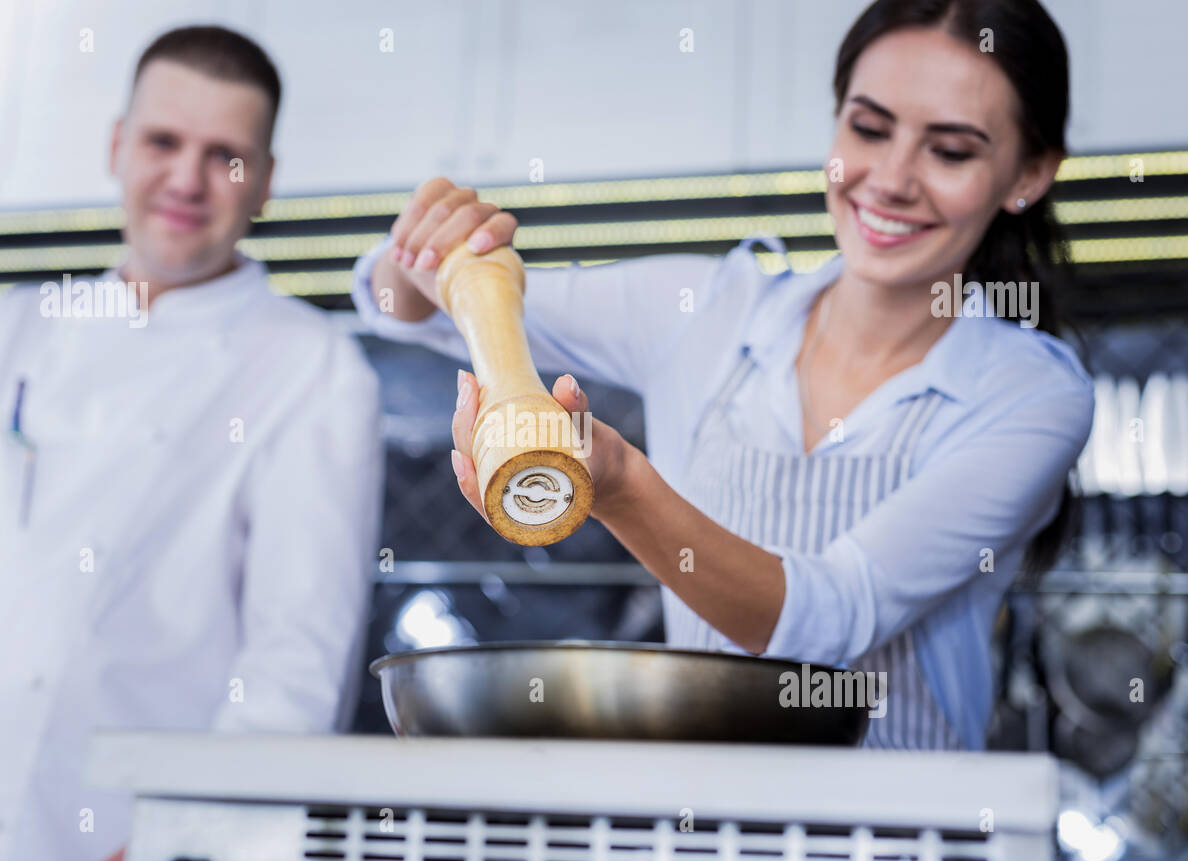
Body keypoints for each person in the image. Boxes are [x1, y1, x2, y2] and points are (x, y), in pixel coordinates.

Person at [351, 0, 1094, 751]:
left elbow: (828, 622)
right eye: (868, 129)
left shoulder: (1030, 395)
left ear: (1028, 173)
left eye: (951, 151)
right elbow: (395, 305)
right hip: (705, 830)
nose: (892, 179)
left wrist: (619, 487)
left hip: (904, 837)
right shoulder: (705, 311)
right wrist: (422, 251)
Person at [0, 26, 383, 861]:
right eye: (163, 141)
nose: (186, 179)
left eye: (224, 155)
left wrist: (190, 840)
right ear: (118, 147)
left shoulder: (312, 367)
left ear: (263, 183)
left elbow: (295, 659)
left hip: (112, 837)